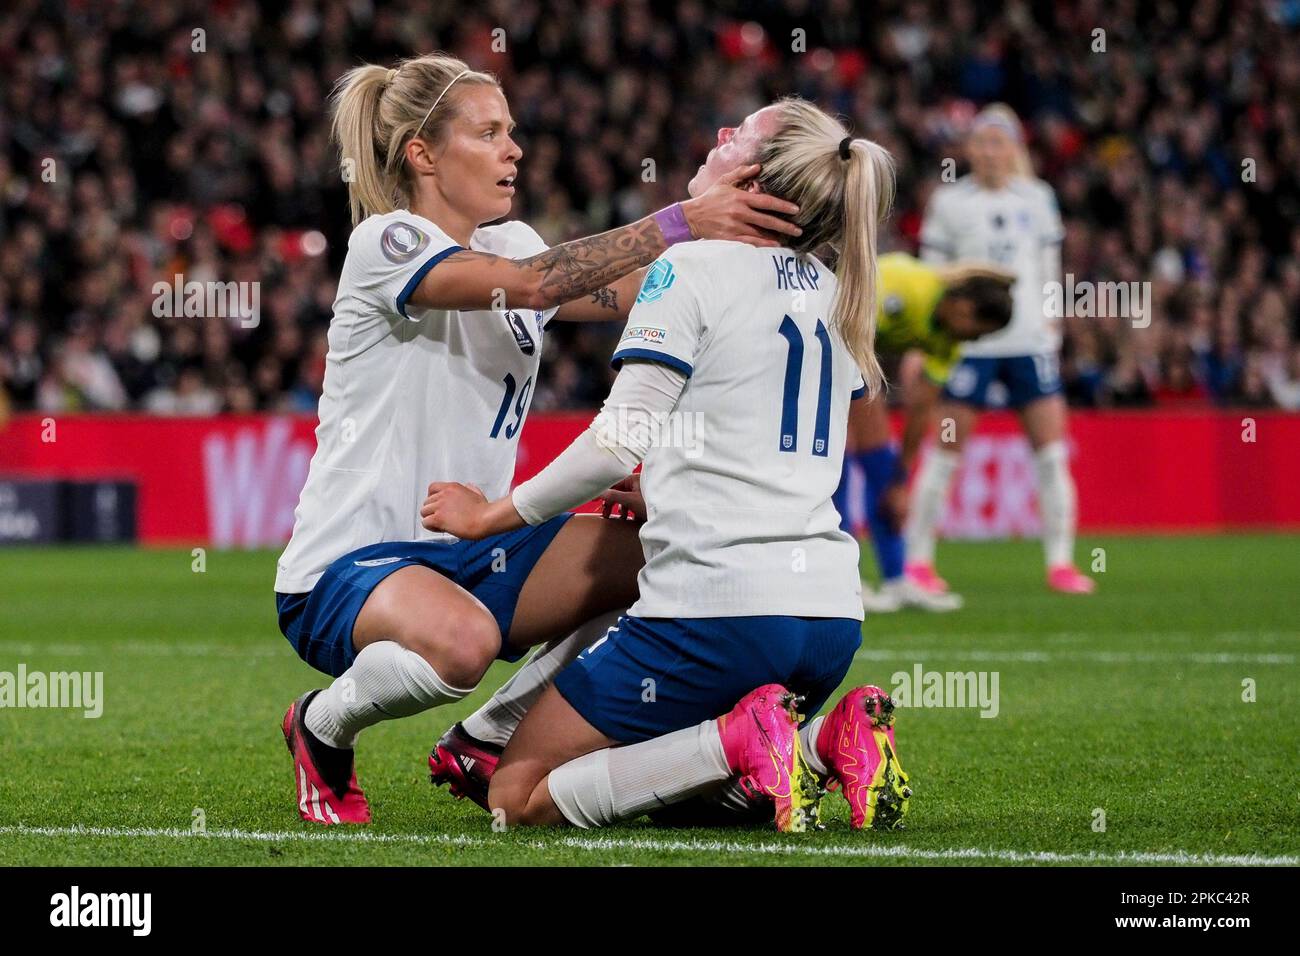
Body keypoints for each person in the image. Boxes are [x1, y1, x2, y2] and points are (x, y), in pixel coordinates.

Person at [275, 53, 805, 825]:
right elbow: (531, 286)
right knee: (461, 642)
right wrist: (683, 220)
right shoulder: (387, 242)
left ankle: (489, 738)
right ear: (423, 154)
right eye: (488, 133)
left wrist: (749, 238)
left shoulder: (518, 241)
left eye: (511, 132)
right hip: (348, 564)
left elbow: (641, 291)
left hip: (471, 545)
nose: (513, 150)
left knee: (672, 555)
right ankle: (322, 724)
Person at [422, 98, 910, 832]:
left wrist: (490, 514)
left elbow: (617, 440)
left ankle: (739, 736)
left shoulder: (691, 266)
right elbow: (772, 453)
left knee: (516, 796)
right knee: (701, 806)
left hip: (719, 613)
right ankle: (815, 745)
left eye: (738, 134)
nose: (718, 135)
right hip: (830, 618)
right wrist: (672, 491)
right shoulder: (838, 286)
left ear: (751, 178)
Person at [904, 104, 1095, 596]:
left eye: (999, 142)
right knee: (945, 455)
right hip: (971, 346)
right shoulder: (949, 203)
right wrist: (930, 339)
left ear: (1014, 149)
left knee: (1051, 456)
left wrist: (1052, 328)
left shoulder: (1038, 198)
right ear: (970, 149)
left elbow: (1048, 268)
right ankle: (918, 562)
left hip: (1028, 343)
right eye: (982, 142)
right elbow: (931, 275)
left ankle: (1060, 564)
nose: (990, 151)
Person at [835, 253, 1016, 612]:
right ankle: (843, 582)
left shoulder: (947, 339)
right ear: (962, 307)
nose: (974, 341)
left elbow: (922, 410)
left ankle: (896, 580)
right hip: (830, 344)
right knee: (836, 463)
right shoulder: (908, 288)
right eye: (978, 332)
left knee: (883, 472)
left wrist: (902, 479)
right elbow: (844, 331)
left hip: (857, 363)